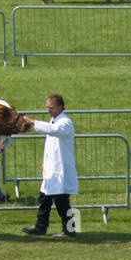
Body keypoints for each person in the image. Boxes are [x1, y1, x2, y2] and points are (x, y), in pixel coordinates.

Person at [22, 94, 78, 238]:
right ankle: (40, 227)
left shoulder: (65, 122)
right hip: (51, 169)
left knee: (62, 202)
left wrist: (33, 122)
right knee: (44, 200)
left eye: (51, 107)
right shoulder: (53, 121)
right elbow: (50, 147)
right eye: (47, 107)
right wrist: (44, 163)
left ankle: (69, 230)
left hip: (61, 170)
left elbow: (54, 131)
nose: (49, 110)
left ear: (60, 107)